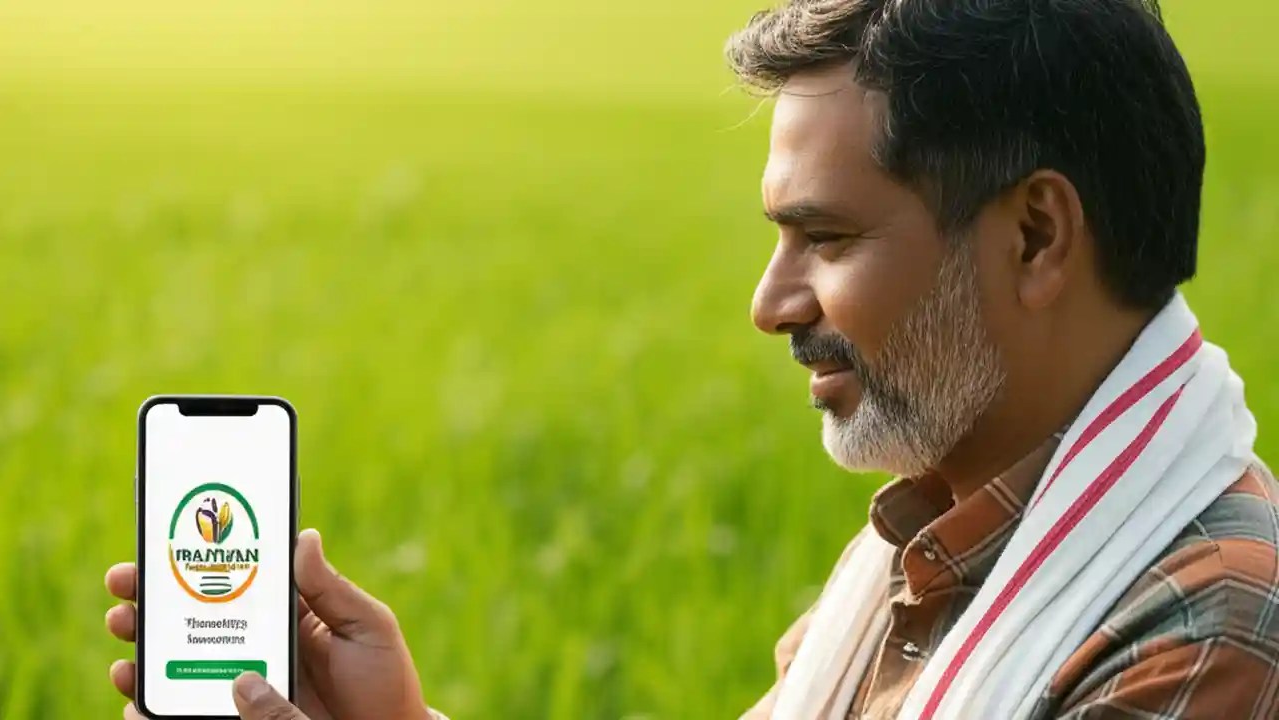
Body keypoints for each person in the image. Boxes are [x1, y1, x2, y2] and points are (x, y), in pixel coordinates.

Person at [104, 0, 1279, 718]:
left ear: (1032, 235)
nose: (770, 304)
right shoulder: (935, 551)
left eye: (824, 237)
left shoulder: (1210, 630)